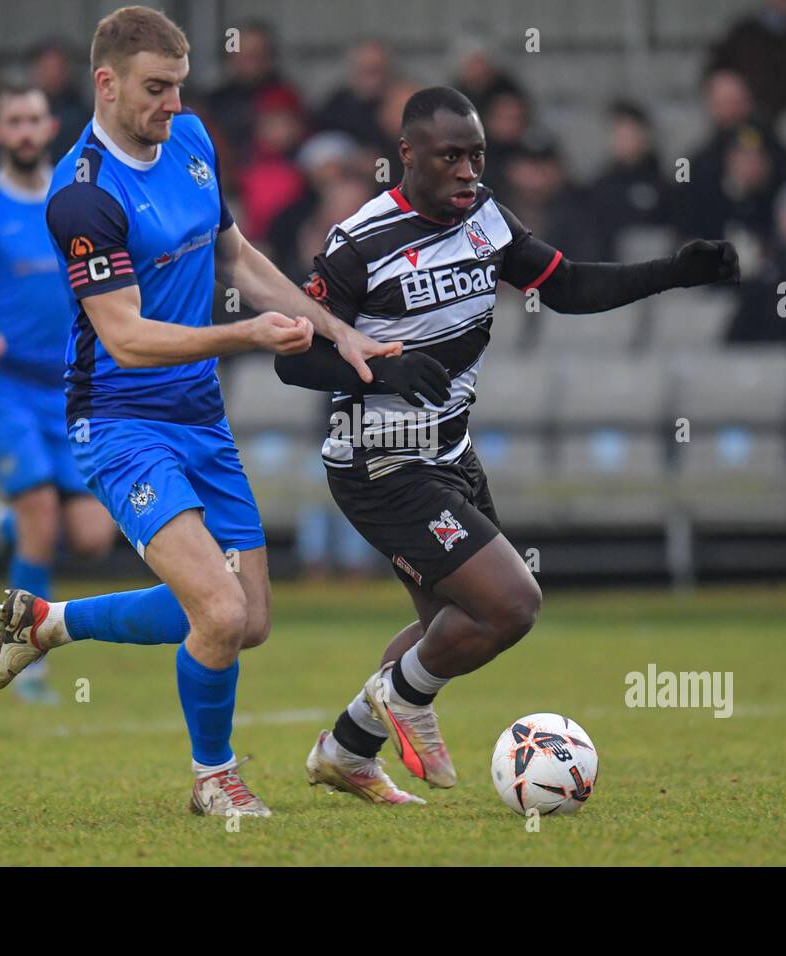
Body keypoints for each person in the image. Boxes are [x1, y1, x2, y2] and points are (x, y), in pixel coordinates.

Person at [0, 6, 402, 816]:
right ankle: (215, 779)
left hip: (198, 416)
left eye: (178, 86)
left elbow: (234, 252)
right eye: (154, 89)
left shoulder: (193, 139)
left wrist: (334, 326)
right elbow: (127, 337)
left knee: (249, 622)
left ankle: (49, 623)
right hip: (119, 421)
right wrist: (246, 333)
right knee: (216, 609)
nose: (171, 105)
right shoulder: (83, 198)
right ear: (104, 84)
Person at [274, 87, 738, 805]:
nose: (467, 171)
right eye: (450, 157)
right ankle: (404, 703)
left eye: (476, 155)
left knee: (451, 630)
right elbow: (293, 359)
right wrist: (383, 363)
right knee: (512, 605)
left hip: (451, 454)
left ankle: (345, 750)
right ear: (407, 157)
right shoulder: (358, 242)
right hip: (380, 462)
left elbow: (567, 286)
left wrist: (673, 272)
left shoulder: (486, 216)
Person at [0, 83, 118, 702]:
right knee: (42, 516)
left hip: (67, 393)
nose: (27, 131)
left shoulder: (72, 205)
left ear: (50, 126)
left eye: (35, 119)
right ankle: (28, 658)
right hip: (2, 388)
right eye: (15, 121)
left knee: (92, 536)